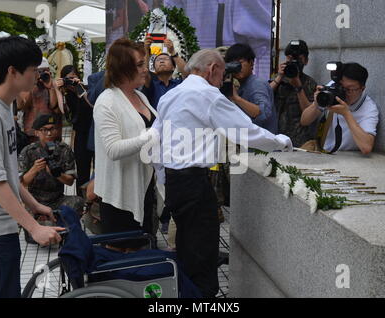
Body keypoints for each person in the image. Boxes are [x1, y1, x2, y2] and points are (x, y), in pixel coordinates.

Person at [151, 49, 292, 297]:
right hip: (194, 183)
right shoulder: (207, 95)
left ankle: (186, 293)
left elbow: (157, 140)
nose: (223, 80)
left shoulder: (171, 95)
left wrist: (163, 180)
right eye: (222, 74)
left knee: (186, 246)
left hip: (175, 181)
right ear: (212, 69)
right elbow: (244, 130)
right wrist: (281, 142)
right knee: (203, 251)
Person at [0, 36, 64, 298]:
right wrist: (33, 227)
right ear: (13, 71)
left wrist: (34, 205)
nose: (38, 75)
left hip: (0, 223)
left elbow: (8, 171)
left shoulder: (3, 106)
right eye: (34, 70)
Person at [93, 38, 158, 251]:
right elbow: (113, 149)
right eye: (139, 64)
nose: (145, 69)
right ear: (123, 67)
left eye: (144, 63)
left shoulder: (139, 96)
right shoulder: (107, 102)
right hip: (119, 194)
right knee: (122, 258)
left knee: (141, 252)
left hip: (143, 185)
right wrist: (153, 134)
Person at [18, 114, 84, 225]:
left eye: (52, 129)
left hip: (58, 199)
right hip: (35, 201)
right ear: (36, 132)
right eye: (44, 130)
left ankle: (59, 225)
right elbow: (22, 183)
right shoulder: (28, 151)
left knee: (78, 202)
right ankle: (46, 223)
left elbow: (70, 181)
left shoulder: (64, 149)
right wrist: (34, 169)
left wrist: (58, 174)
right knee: (24, 210)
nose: (49, 133)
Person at [300, 63, 379, 154]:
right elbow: (304, 121)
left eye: (350, 89)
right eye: (342, 87)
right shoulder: (333, 88)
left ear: (362, 88)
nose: (344, 92)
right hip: (321, 149)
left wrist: (346, 113)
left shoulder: (369, 108)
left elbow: (366, 147)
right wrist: (317, 104)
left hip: (345, 156)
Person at [270, 40, 318, 147]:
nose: (294, 62)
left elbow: (308, 113)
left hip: (300, 142)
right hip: (276, 139)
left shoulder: (310, 83)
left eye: (298, 59)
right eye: (290, 59)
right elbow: (264, 96)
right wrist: (279, 77)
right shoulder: (278, 80)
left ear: (306, 61)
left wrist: (298, 87)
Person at [225, 43, 277, 134]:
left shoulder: (257, 84)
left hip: (261, 146)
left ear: (251, 63)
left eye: (240, 63)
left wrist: (237, 99)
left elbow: (263, 113)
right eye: (233, 64)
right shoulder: (241, 84)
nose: (237, 67)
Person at [60, 65, 94, 196]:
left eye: (74, 77)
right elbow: (65, 113)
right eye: (68, 78)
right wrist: (60, 91)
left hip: (92, 131)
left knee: (97, 169)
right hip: (80, 134)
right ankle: (81, 200)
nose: (71, 80)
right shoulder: (65, 95)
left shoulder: (85, 90)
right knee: (82, 171)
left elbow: (90, 105)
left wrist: (79, 89)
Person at [17, 57, 64, 143]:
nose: (40, 74)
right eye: (38, 71)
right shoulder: (27, 85)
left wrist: (50, 88)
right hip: (32, 134)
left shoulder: (55, 85)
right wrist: (33, 83)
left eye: (44, 71)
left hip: (51, 133)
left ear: (49, 71)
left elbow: (54, 106)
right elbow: (22, 106)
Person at [142, 36, 187, 110]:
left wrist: (172, 52)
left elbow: (187, 73)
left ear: (173, 67)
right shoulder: (152, 85)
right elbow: (144, 70)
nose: (162, 61)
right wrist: (146, 49)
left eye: (166, 59)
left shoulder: (179, 84)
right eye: (158, 60)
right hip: (157, 120)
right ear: (154, 70)